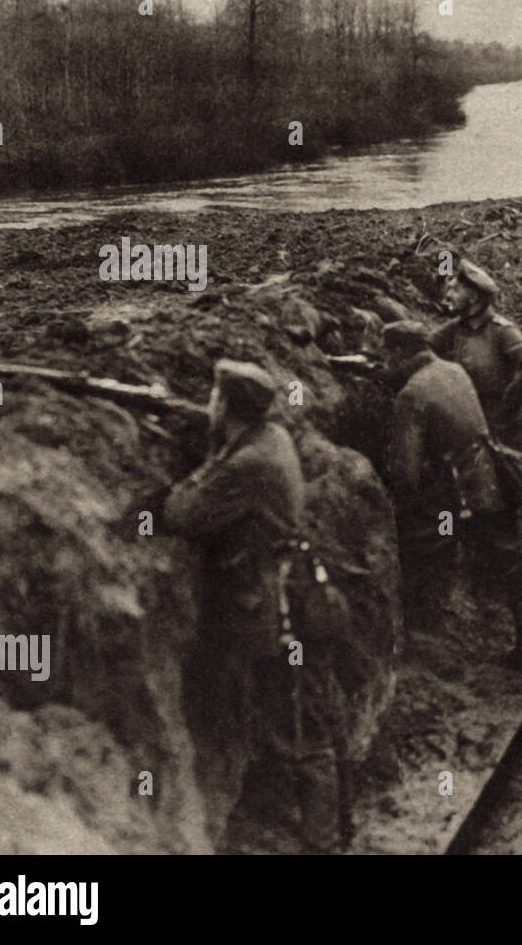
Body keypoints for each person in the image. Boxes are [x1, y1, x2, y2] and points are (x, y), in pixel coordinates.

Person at [162, 358, 345, 853]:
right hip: (297, 589)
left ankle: (322, 841)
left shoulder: (246, 463)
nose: (208, 404)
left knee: (299, 723)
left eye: (214, 398)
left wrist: (204, 461)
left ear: (227, 406)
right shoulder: (272, 438)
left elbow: (182, 513)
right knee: (299, 707)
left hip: (282, 609)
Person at [386, 321, 522, 674]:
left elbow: (405, 477)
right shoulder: (452, 368)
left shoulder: (411, 396)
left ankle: (431, 638)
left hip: (470, 489)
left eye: (388, 355)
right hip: (496, 471)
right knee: (515, 558)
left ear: (398, 353)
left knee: (419, 542)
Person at [432, 259, 522, 459]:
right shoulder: (457, 328)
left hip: (515, 440)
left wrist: (508, 403)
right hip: (484, 431)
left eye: (455, 290)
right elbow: (424, 345)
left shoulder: (501, 331)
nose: (448, 295)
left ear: (473, 297)